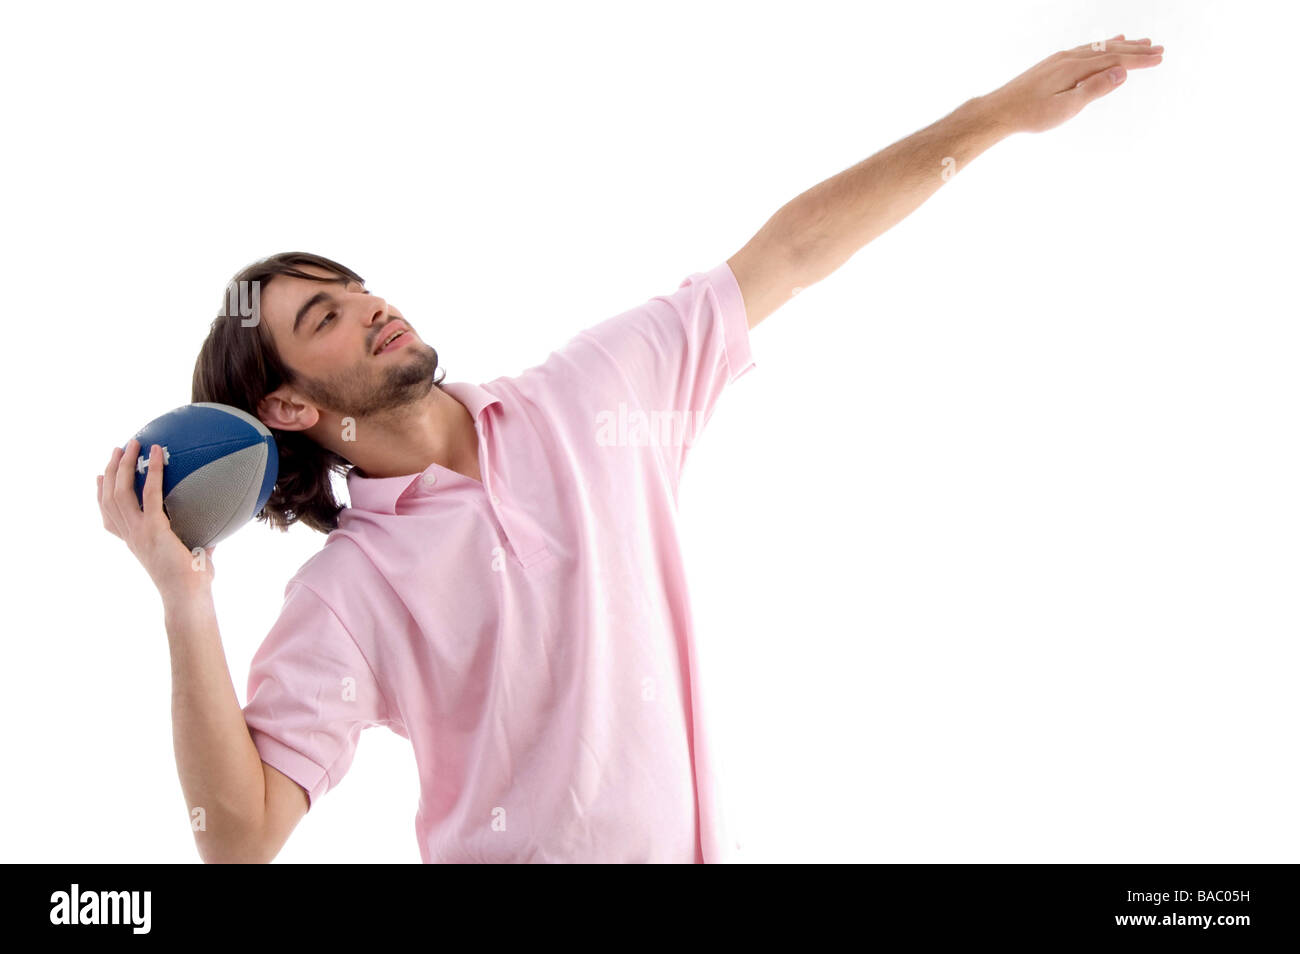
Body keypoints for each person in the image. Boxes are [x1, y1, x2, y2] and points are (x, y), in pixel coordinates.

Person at [97, 35, 1164, 863]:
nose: (371, 308)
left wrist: (995, 116)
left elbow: (788, 253)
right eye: (323, 319)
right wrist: (184, 595)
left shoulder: (593, 393)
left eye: (356, 287)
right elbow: (238, 840)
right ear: (286, 409)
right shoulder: (345, 599)